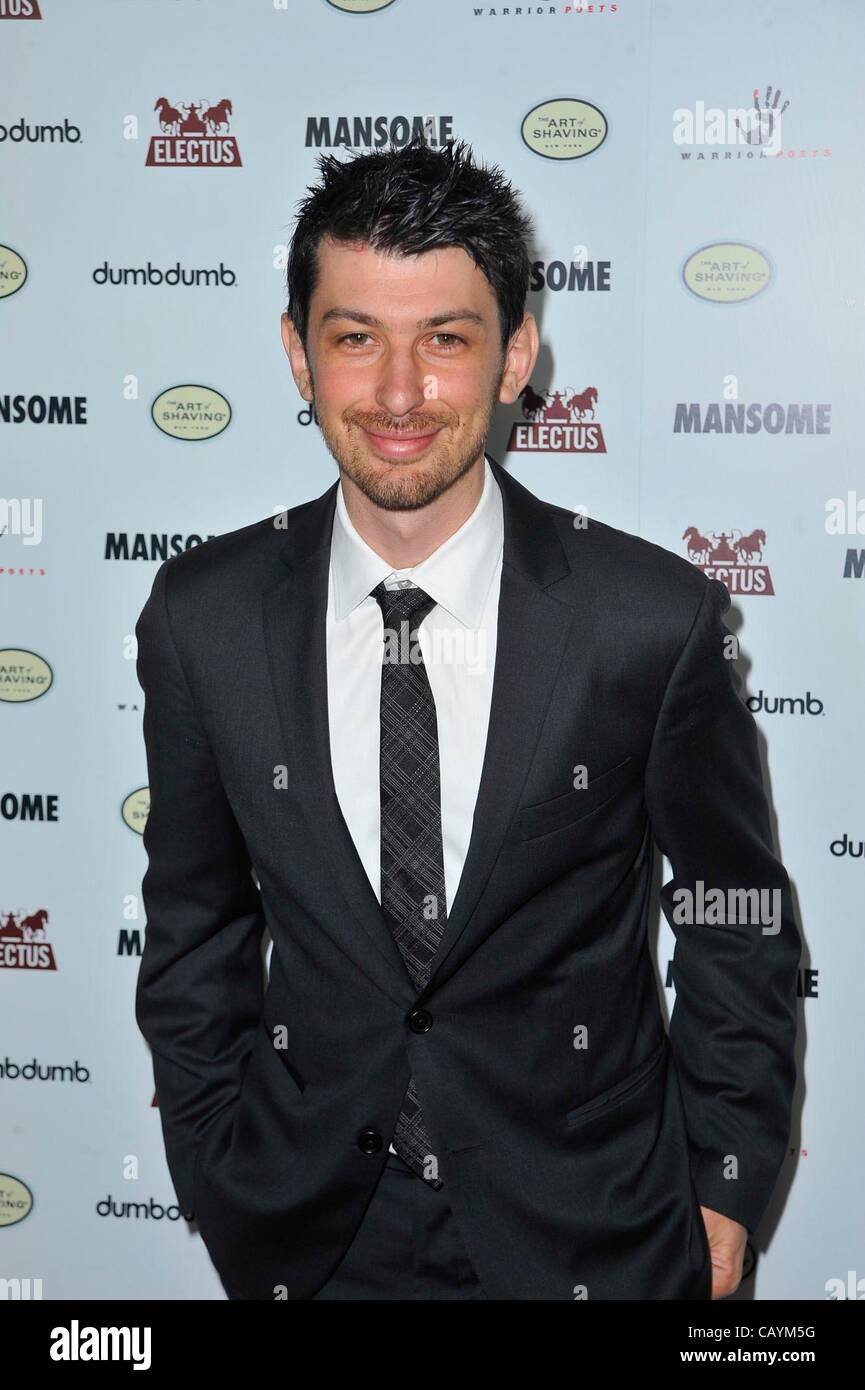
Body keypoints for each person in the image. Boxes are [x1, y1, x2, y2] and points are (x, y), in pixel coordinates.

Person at [134, 134, 800, 1301]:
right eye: (355, 340)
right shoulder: (204, 618)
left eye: (444, 338)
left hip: (594, 1227)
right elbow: (193, 923)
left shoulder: (649, 618)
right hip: (312, 1235)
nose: (399, 394)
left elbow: (732, 912)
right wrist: (213, 1164)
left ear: (516, 356)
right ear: (298, 355)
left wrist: (725, 1184)